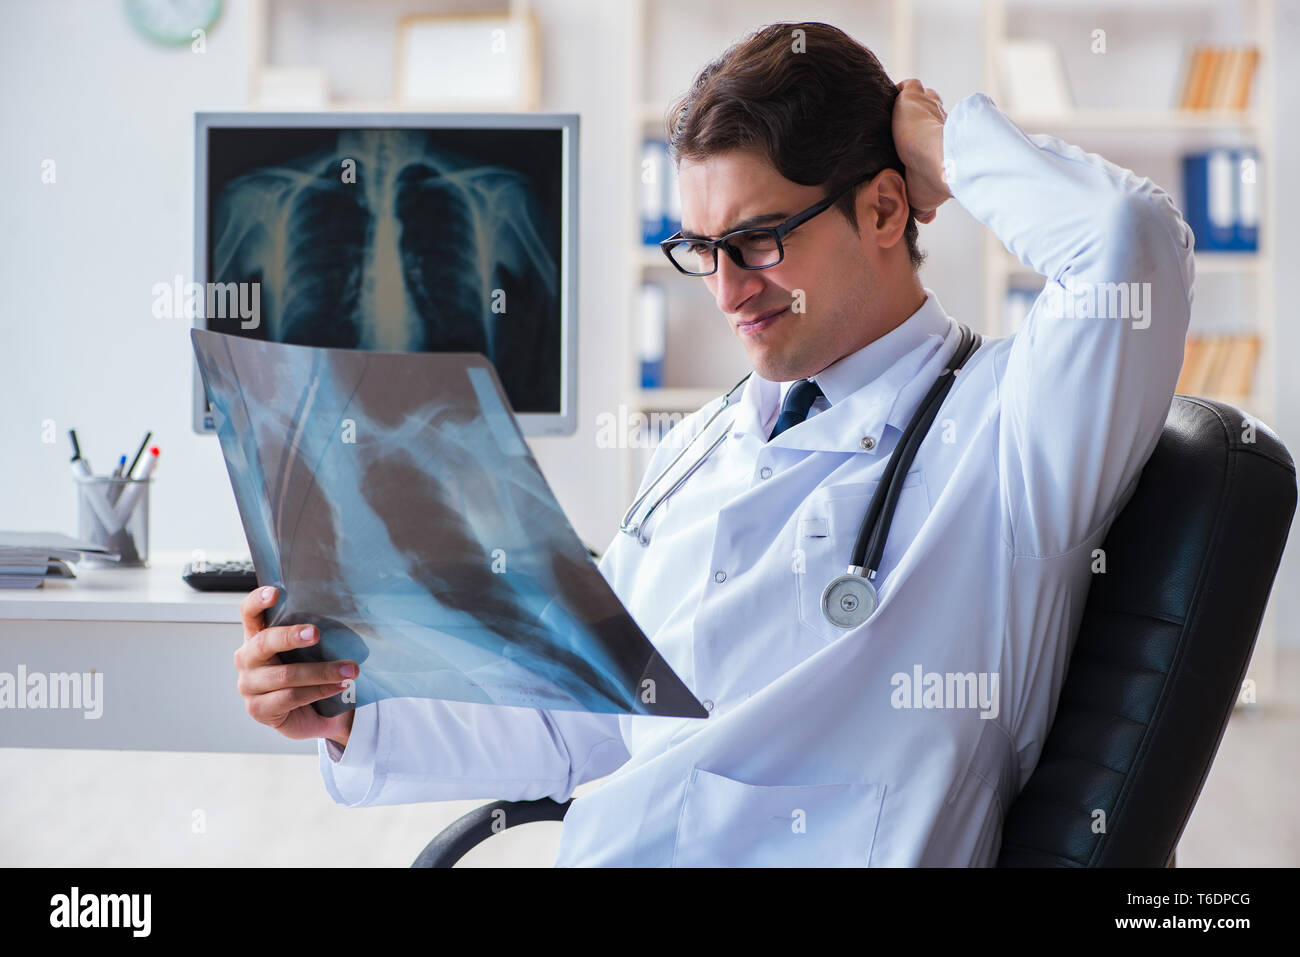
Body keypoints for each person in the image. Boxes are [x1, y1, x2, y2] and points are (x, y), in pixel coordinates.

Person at [233, 21, 1193, 866]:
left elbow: (1128, 241)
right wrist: (351, 709)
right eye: (700, 249)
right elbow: (598, 720)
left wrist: (936, 142)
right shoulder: (704, 435)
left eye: (761, 239)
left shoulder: (1015, 431)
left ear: (887, 210)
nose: (727, 290)